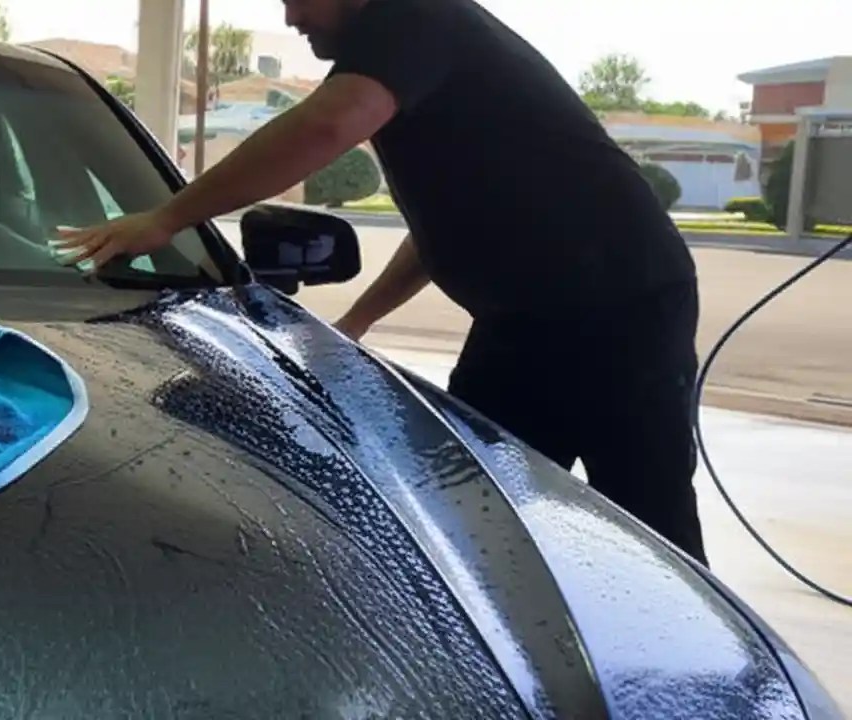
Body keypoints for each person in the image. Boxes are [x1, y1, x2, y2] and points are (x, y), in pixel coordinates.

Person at [56, 0, 708, 565]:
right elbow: (446, 231)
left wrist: (168, 218)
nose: (291, 17)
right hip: (524, 324)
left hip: (622, 310)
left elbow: (325, 125)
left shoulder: (414, 17)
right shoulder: (423, 61)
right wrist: (358, 323)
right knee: (480, 513)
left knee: (649, 529)